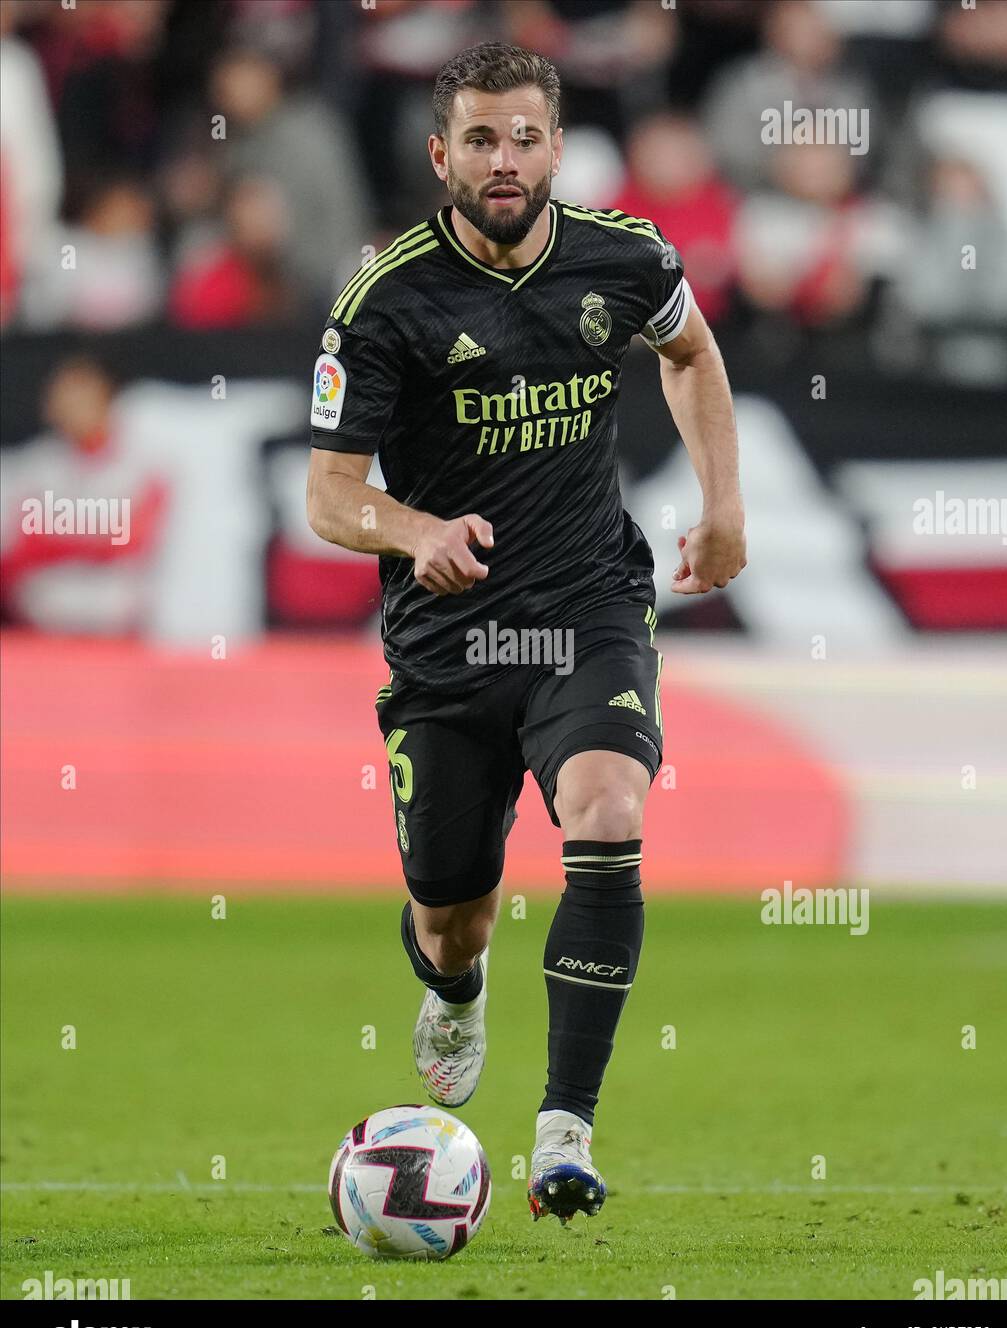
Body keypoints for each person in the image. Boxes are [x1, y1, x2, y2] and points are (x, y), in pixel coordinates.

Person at [306, 43, 745, 1226]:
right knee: (451, 914)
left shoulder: (625, 257)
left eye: (524, 137)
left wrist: (723, 504)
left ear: (556, 147)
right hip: (446, 644)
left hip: (586, 611)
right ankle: (456, 989)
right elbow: (328, 495)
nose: (503, 160)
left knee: (608, 809)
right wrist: (414, 530)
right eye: (479, 140)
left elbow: (690, 351)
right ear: (439, 154)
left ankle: (565, 1130)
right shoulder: (382, 300)